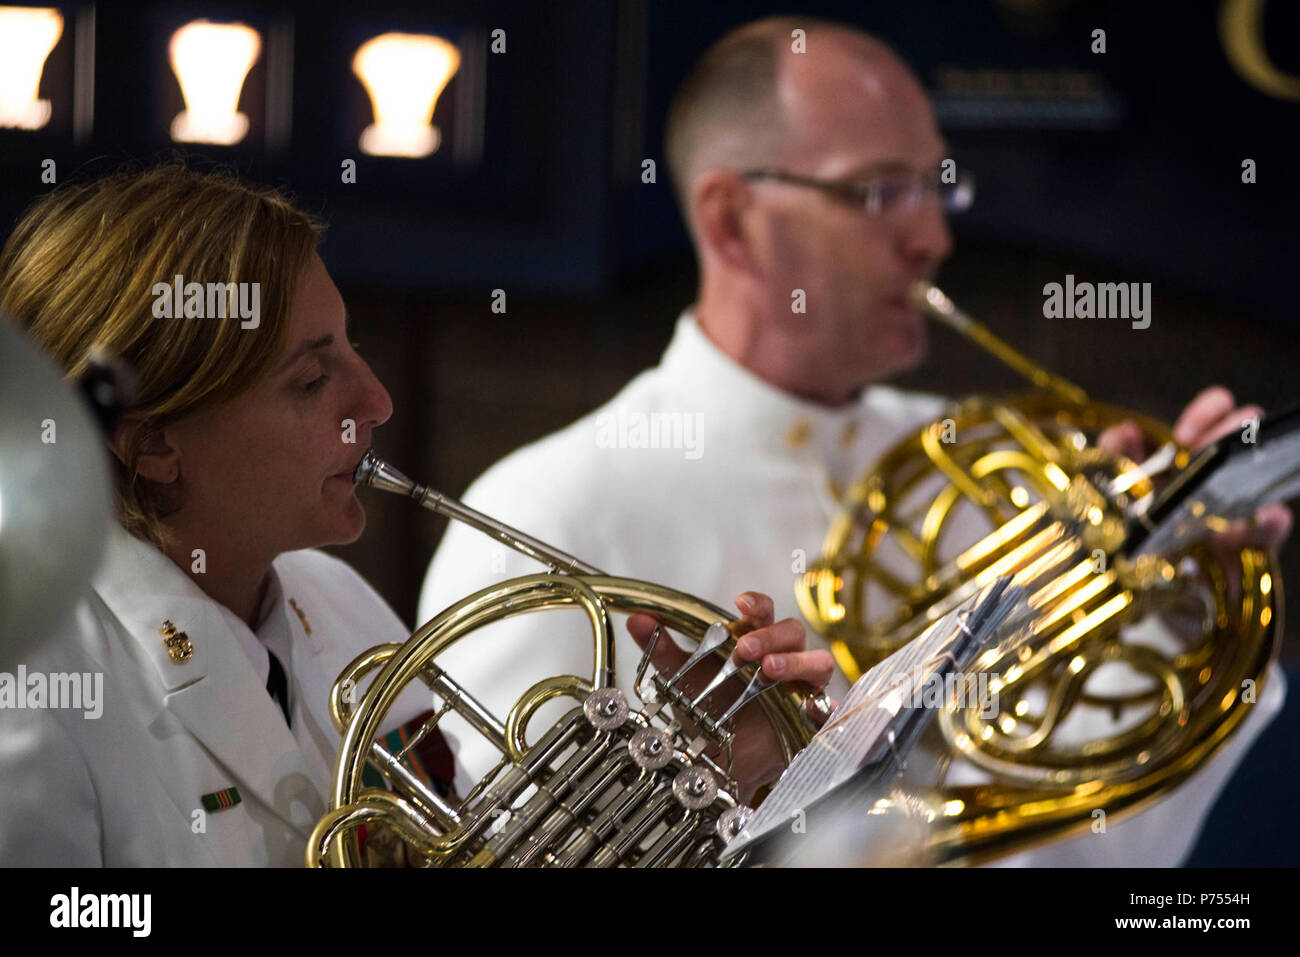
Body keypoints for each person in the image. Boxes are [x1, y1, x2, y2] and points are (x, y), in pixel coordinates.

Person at [419, 17, 1292, 865]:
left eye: (935, 186)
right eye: (878, 191)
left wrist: (1172, 581)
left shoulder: (986, 455)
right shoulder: (542, 515)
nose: (933, 238)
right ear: (732, 220)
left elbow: (1091, 832)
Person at [0, 164, 834, 867]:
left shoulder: (334, 603)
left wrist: (715, 759)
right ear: (153, 444)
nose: (377, 400)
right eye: (310, 380)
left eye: (352, 349)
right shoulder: (32, 685)